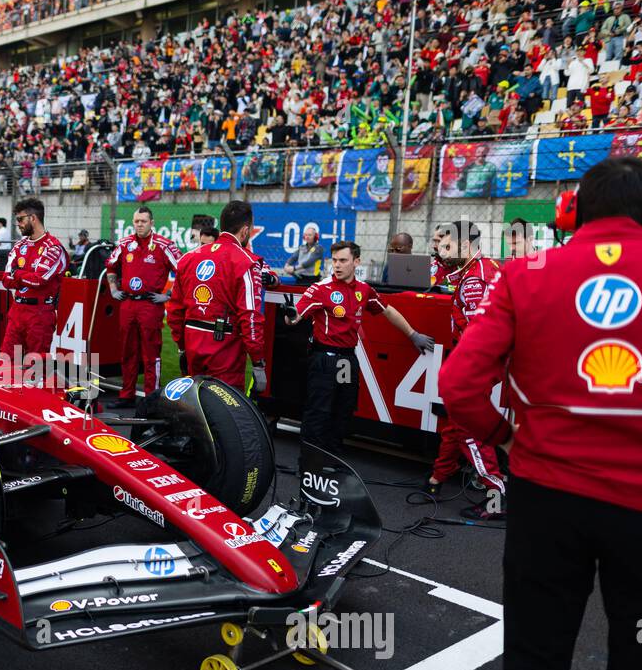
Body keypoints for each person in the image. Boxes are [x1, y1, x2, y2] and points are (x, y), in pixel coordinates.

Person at [438, 157, 642, 670]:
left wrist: (502, 438)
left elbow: (460, 384)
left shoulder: (525, 276)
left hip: (548, 507)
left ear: (570, 212)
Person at [288, 241, 434, 456]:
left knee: (343, 410)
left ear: (356, 262)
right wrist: (290, 314)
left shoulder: (364, 290)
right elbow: (295, 316)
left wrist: (413, 335)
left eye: (343, 261)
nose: (337, 265)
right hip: (325, 359)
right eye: (334, 261)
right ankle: (311, 464)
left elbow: (388, 311)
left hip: (346, 361)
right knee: (319, 412)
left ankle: (333, 460)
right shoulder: (320, 289)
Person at [427, 220, 506, 511]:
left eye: (448, 246)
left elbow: (479, 333)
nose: (444, 252)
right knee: (454, 422)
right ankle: (438, 476)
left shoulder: (475, 279)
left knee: (468, 428)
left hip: (478, 361)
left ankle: (495, 492)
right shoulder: (481, 268)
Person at [167, 199, 267, 393]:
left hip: (192, 343)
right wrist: (257, 362)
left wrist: (182, 346)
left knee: (195, 405)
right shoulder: (246, 262)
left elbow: (175, 310)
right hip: (225, 349)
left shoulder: (189, 258)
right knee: (225, 410)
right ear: (246, 231)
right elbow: (251, 317)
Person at [105, 205, 181, 405]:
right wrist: (113, 289)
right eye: (136, 221)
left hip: (150, 305)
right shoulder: (124, 244)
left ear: (152, 223)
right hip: (128, 304)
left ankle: (151, 398)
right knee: (127, 352)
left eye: (143, 221)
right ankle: (126, 394)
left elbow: (183, 271)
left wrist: (168, 295)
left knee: (151, 353)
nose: (139, 225)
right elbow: (111, 266)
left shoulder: (165, 245)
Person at [0, 196, 67, 358]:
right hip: (17, 311)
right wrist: (24, 275)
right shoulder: (19, 246)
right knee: (7, 360)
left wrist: (17, 273)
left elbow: (39, 280)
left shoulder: (53, 248)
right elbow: (6, 280)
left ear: (33, 218)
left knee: (36, 366)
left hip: (40, 313)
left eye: (20, 219)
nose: (18, 224)